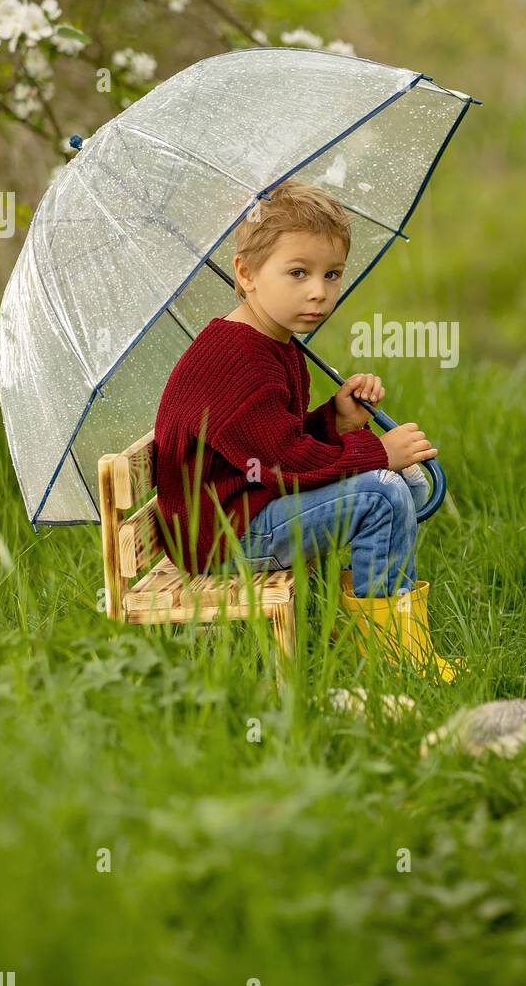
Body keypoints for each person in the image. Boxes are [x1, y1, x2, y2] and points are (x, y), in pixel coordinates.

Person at [154, 177, 461, 682]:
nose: (319, 291)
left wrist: (334, 420)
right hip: (224, 536)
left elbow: (275, 439)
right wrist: (376, 453)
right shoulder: (236, 361)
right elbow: (283, 463)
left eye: (332, 273)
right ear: (246, 274)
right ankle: (389, 658)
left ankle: (384, 632)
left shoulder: (272, 342)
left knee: (406, 484)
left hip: (250, 506)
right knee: (382, 493)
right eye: (298, 272)